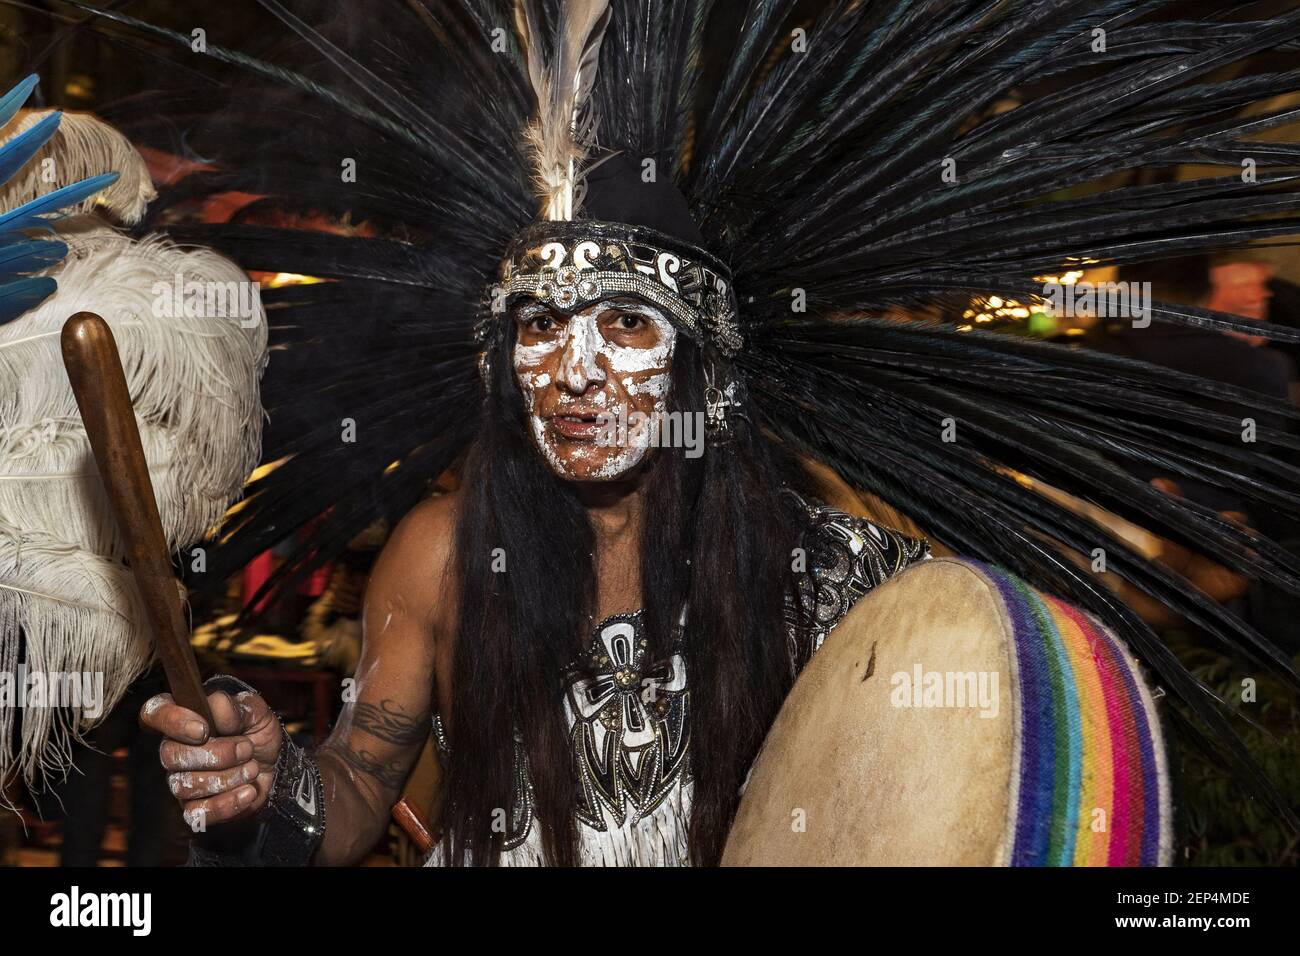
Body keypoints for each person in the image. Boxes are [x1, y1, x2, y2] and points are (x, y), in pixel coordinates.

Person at [61, 0, 1299, 864]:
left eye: (622, 326)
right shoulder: (443, 552)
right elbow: (356, 796)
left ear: (704, 363)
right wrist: (269, 778)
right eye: (538, 327)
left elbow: (959, 763)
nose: (574, 368)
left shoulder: (834, 572)